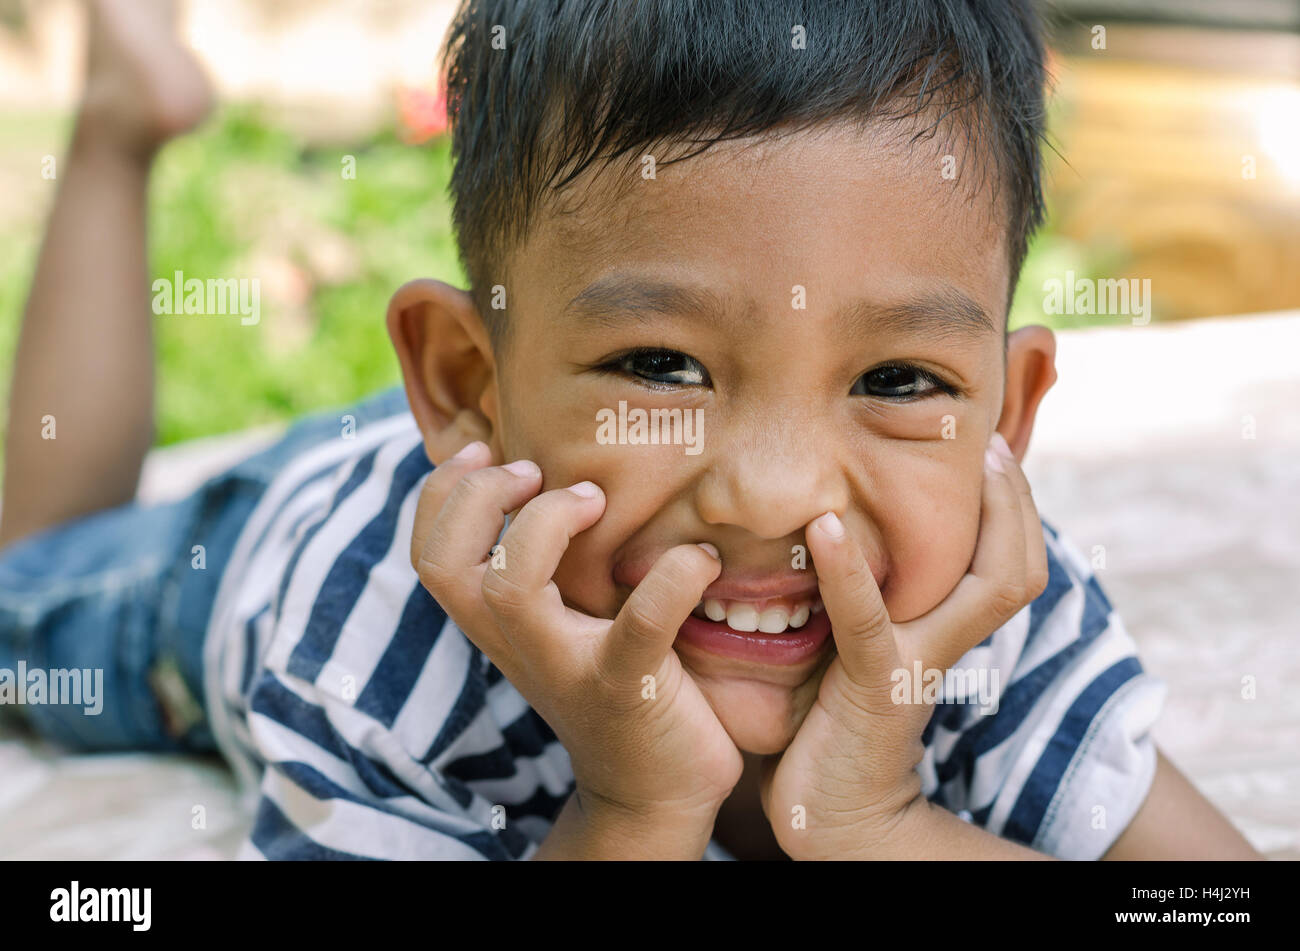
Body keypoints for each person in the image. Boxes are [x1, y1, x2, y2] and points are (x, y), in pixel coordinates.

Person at [0, 0, 1259, 859]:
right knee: (27, 570)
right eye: (661, 365)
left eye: (896, 380)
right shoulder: (367, 648)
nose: (772, 495)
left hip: (537, 450)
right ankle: (121, 123)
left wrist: (874, 821)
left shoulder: (989, 606)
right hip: (275, 543)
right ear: (461, 382)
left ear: (1006, 412)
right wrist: (637, 807)